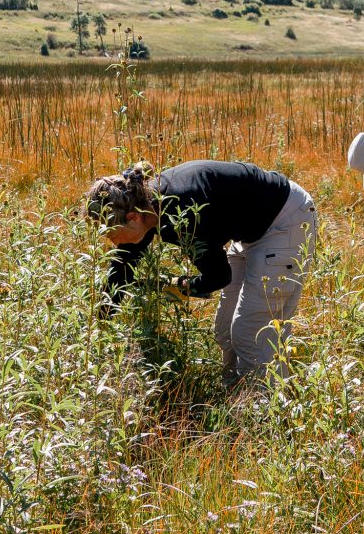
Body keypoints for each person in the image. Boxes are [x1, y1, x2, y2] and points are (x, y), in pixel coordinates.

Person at [86, 159, 317, 384]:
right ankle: (236, 393)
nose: (111, 241)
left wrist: (177, 285)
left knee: (251, 332)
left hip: (285, 221)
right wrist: (100, 327)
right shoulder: (145, 206)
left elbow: (218, 277)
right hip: (250, 228)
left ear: (133, 218)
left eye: (111, 234)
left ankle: (262, 409)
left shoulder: (182, 214)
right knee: (225, 328)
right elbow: (122, 268)